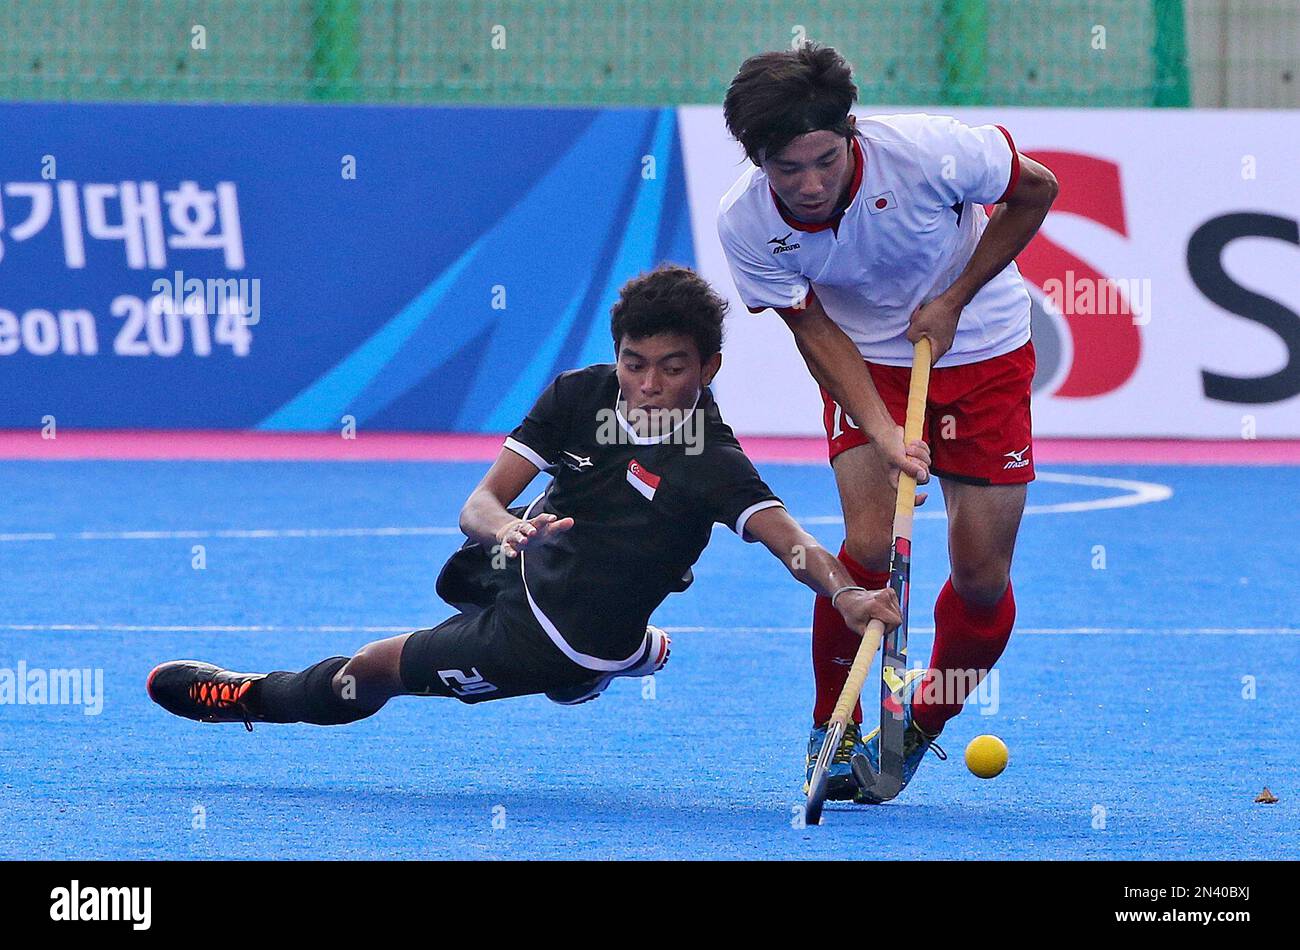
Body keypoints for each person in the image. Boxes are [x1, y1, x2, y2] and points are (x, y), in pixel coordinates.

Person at [148, 264, 929, 759]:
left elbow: (789, 541)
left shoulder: (709, 460)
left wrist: (846, 593)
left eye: (672, 367)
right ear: (616, 353)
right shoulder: (579, 394)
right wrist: (507, 528)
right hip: (532, 552)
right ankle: (633, 638)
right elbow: (479, 503)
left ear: (710, 367)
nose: (648, 384)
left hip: (556, 637)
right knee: (463, 568)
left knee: (372, 670)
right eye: (635, 363)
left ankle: (246, 698)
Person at [717, 43, 1058, 800]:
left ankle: (913, 731)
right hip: (863, 362)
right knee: (868, 546)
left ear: (852, 133)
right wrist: (878, 428)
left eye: (826, 161)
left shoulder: (931, 152)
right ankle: (830, 734)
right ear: (758, 160)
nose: (809, 186)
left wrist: (957, 295)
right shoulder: (744, 223)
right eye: (786, 170)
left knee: (979, 577)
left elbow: (1036, 188)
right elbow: (811, 329)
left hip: (985, 350)